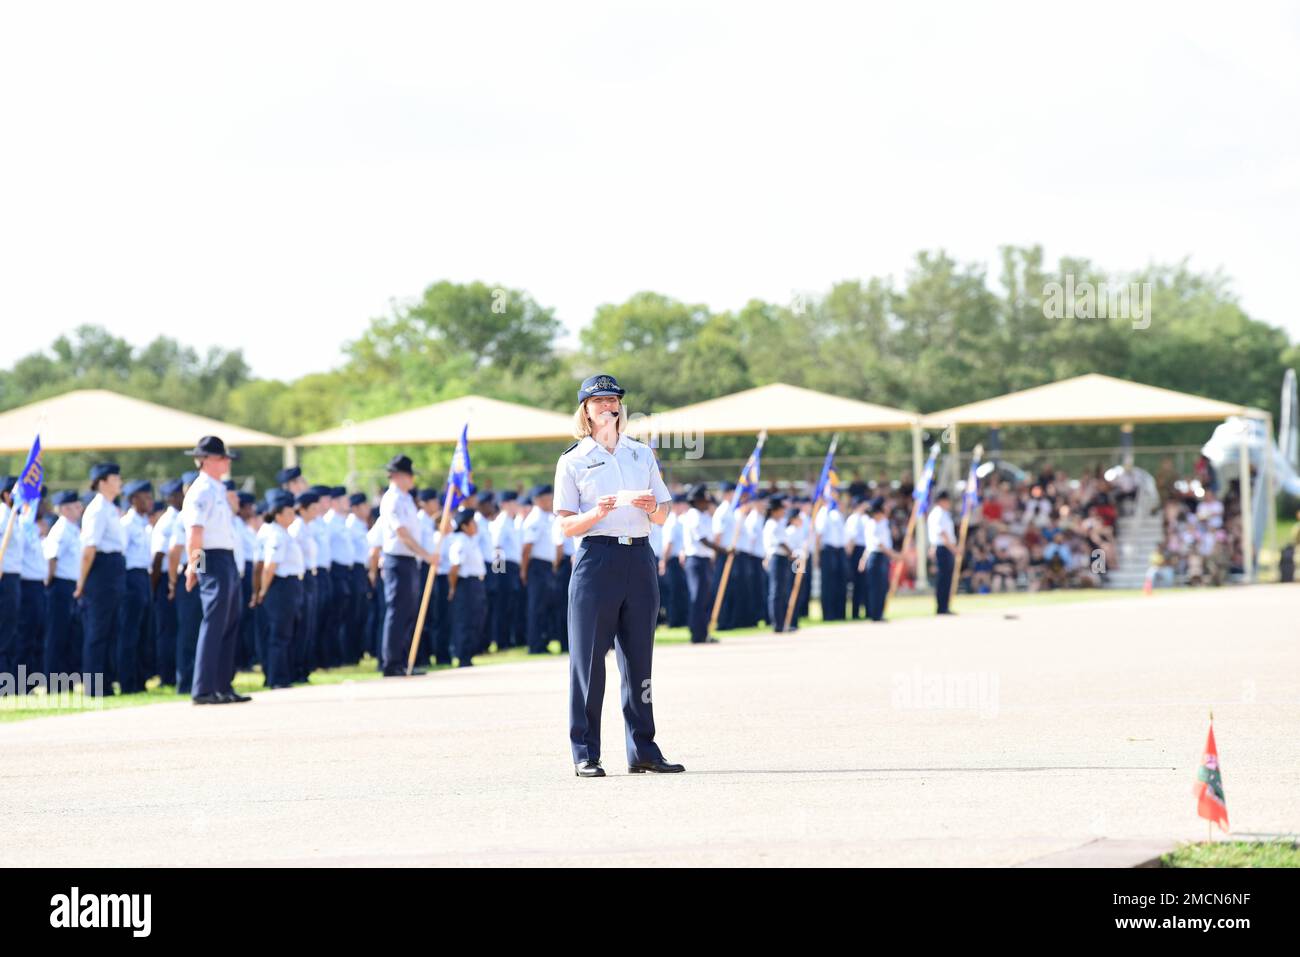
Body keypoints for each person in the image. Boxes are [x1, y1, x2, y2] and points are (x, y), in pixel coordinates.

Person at [554, 373, 683, 777]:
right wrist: (599, 512)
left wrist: (649, 507)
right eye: (599, 402)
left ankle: (642, 748)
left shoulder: (640, 454)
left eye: (614, 400)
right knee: (589, 662)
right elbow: (566, 525)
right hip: (597, 559)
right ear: (586, 412)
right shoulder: (573, 460)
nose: (608, 406)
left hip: (639, 558)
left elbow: (663, 513)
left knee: (639, 661)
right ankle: (585, 752)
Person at [180, 436, 249, 704]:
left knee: (229, 621)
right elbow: (195, 533)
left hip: (226, 557)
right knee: (214, 621)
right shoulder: (201, 491)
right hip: (210, 557)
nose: (226, 462)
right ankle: (204, 688)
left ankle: (223, 685)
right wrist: (193, 567)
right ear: (206, 460)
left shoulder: (217, 489)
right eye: (222, 458)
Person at [378, 455, 436, 676]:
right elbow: (401, 533)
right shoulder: (391, 499)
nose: (412, 480)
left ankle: (403, 661)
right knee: (398, 611)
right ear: (400, 476)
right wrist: (426, 554)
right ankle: (391, 663)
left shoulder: (406, 498)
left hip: (410, 560)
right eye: (410, 475)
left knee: (409, 611)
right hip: (397, 559)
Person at [76, 463, 126, 697]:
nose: (120, 482)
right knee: (97, 630)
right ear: (102, 482)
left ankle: (105, 682)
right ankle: (94, 686)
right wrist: (81, 582)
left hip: (114, 567)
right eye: (115, 478)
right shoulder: (97, 508)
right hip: (101, 570)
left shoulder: (110, 508)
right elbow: (89, 550)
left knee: (110, 629)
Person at [253, 490, 304, 688]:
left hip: (285, 586)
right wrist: (263, 591)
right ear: (278, 514)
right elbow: (268, 567)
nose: (293, 516)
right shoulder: (275, 534)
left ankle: (279, 675)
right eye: (289, 512)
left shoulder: (279, 532)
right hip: (281, 587)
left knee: (282, 634)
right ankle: (278, 678)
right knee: (279, 635)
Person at [118, 479, 154, 693]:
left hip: (143, 576)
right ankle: (127, 682)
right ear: (133, 499)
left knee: (143, 631)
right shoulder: (127, 524)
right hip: (131, 578)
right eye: (145, 497)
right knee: (129, 633)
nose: (150, 501)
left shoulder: (144, 524)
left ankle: (140, 679)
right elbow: (122, 555)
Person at [43, 490, 83, 678]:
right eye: (76, 506)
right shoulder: (60, 529)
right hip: (60, 586)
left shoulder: (73, 528)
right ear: (65, 509)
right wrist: (50, 585)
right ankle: (53, 680)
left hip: (71, 586)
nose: (80, 509)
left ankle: (65, 678)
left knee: (69, 633)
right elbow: (52, 559)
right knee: (57, 634)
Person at [150, 478, 183, 687]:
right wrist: (159, 587)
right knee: (167, 630)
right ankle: (167, 676)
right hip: (167, 579)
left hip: (183, 576)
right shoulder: (168, 521)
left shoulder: (185, 517)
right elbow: (160, 556)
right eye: (180, 493)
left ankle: (179, 673)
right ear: (171, 498)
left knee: (183, 628)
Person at [680, 484, 720, 643]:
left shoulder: (703, 515)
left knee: (704, 598)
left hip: (704, 560)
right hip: (695, 560)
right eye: (704, 500)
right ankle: (697, 634)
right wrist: (722, 549)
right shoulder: (693, 515)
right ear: (697, 501)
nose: (707, 503)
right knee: (697, 597)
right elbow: (702, 540)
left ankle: (703, 633)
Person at [447, 507, 486, 667]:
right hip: (465, 584)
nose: (475, 525)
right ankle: (463, 655)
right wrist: (452, 588)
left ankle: (468, 654)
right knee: (464, 620)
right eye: (472, 523)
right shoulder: (460, 541)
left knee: (475, 619)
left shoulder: (470, 540)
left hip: (475, 583)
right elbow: (454, 568)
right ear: (464, 526)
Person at [520, 485, 556, 654]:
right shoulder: (534, 518)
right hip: (536, 566)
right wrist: (523, 570)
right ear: (539, 500)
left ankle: (542, 641)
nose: (550, 502)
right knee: (536, 606)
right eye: (547, 499)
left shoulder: (546, 517)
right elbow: (527, 548)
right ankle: (535, 644)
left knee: (544, 605)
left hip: (546, 566)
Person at [0, 476, 27, 689]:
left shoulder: (12, 517)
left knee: (10, 630)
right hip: (4, 577)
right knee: (4, 630)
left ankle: (6, 682)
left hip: (12, 577)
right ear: (8, 495)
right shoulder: (2, 515)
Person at [488, 490, 522, 651]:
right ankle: (501, 641)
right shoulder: (502, 521)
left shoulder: (510, 521)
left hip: (512, 567)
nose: (516, 506)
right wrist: (499, 572)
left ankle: (507, 639)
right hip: (504, 568)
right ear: (504, 505)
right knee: (503, 605)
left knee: (510, 604)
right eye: (513, 503)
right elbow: (497, 547)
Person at [858, 497, 897, 622]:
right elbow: (876, 544)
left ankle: (879, 613)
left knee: (882, 586)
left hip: (882, 556)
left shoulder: (883, 523)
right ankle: (874, 614)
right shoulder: (872, 524)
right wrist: (894, 555)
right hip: (876, 556)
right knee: (875, 587)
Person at [763, 495, 793, 633]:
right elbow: (780, 542)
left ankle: (783, 622)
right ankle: (777, 623)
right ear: (774, 510)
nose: (783, 512)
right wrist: (791, 553)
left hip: (782, 558)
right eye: (781, 509)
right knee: (776, 591)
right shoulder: (772, 524)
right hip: (776, 558)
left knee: (782, 591)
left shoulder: (778, 523)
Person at [815, 494, 847, 621]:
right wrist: (817, 555)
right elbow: (819, 536)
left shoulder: (836, 513)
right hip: (828, 551)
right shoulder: (823, 513)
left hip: (839, 550)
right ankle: (829, 614)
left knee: (839, 583)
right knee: (828, 584)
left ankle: (840, 613)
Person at [928, 489, 957, 615]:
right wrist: (953, 548)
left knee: (947, 578)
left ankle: (945, 606)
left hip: (945, 547)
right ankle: (941, 607)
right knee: (943, 579)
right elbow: (942, 534)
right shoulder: (938, 514)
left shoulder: (944, 513)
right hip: (942, 548)